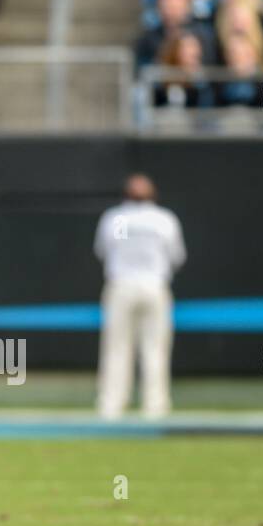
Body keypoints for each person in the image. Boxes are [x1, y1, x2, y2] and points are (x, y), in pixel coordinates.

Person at [93, 173, 185, 420]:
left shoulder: (115, 218)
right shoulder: (164, 219)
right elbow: (177, 256)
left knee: (117, 348)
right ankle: (155, 407)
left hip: (122, 285)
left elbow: (102, 250)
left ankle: (111, 406)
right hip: (153, 285)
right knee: (154, 348)